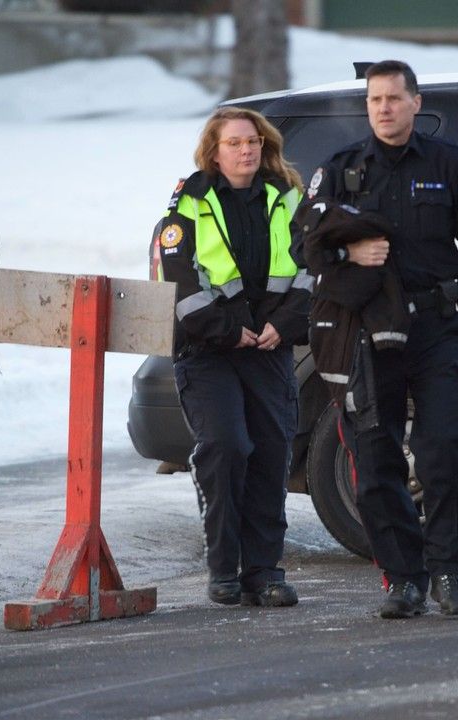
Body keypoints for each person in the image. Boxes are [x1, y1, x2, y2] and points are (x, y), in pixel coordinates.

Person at [293, 60, 458, 619]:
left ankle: (449, 573)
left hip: (434, 330)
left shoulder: (447, 164)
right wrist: (349, 253)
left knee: (444, 448)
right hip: (363, 334)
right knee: (375, 457)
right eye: (375, 100)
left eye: (395, 98)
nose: (385, 108)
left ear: (416, 103)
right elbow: (304, 245)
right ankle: (402, 579)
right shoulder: (342, 170)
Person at [158, 107, 311, 607]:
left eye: (253, 143)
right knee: (226, 446)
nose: (247, 151)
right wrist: (232, 331)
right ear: (214, 151)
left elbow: (313, 272)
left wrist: (280, 327)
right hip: (208, 351)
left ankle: (264, 572)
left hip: (270, 348)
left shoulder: (288, 200)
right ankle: (224, 568)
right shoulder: (189, 206)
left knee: (270, 456)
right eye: (235, 143)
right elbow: (179, 287)